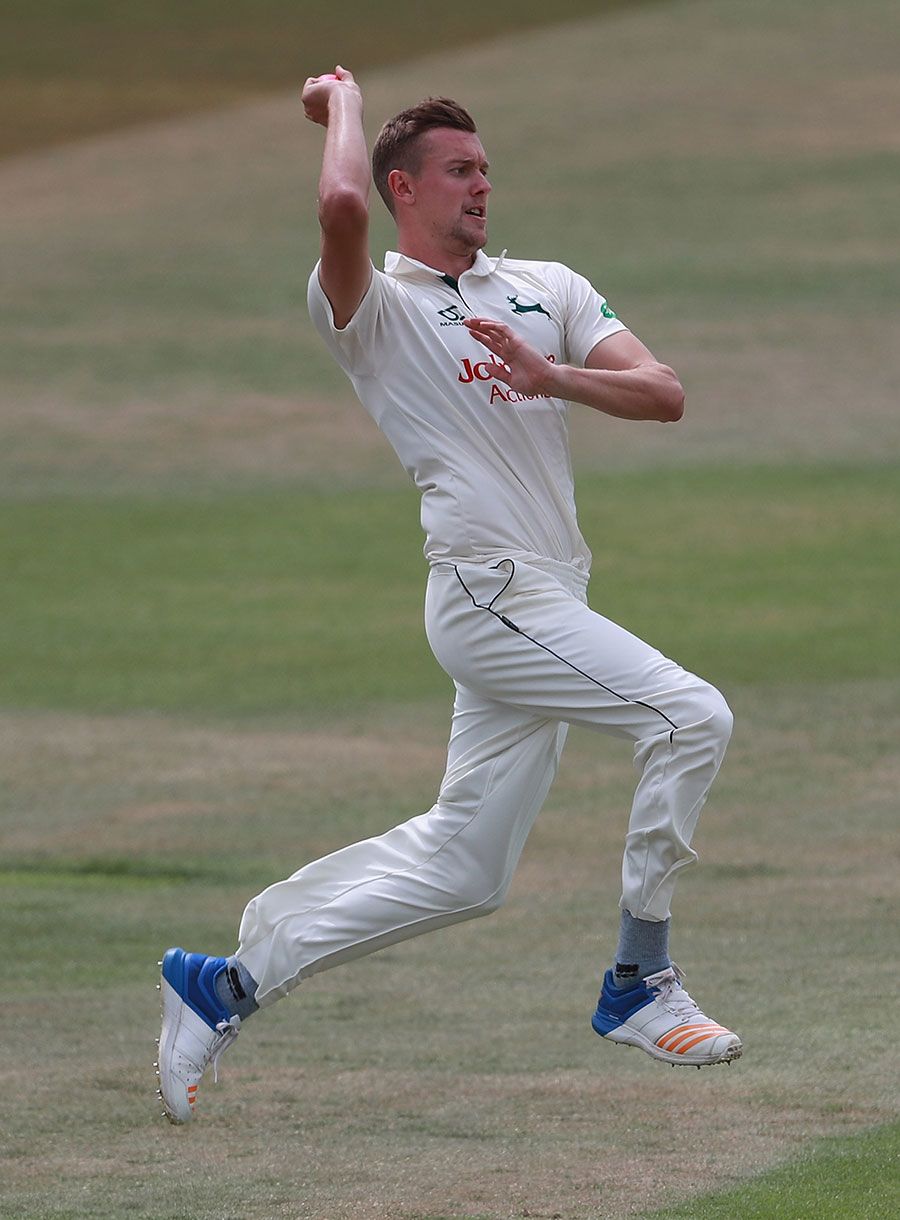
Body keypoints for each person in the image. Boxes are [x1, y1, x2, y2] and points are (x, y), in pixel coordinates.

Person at [156, 66, 741, 1125]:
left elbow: (664, 393)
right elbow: (339, 205)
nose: (481, 187)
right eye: (460, 171)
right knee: (691, 716)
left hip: (552, 593)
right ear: (405, 187)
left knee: (469, 868)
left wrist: (552, 377)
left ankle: (227, 983)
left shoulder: (549, 286)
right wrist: (341, 101)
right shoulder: (371, 310)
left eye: (485, 170)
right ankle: (639, 979)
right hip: (489, 592)